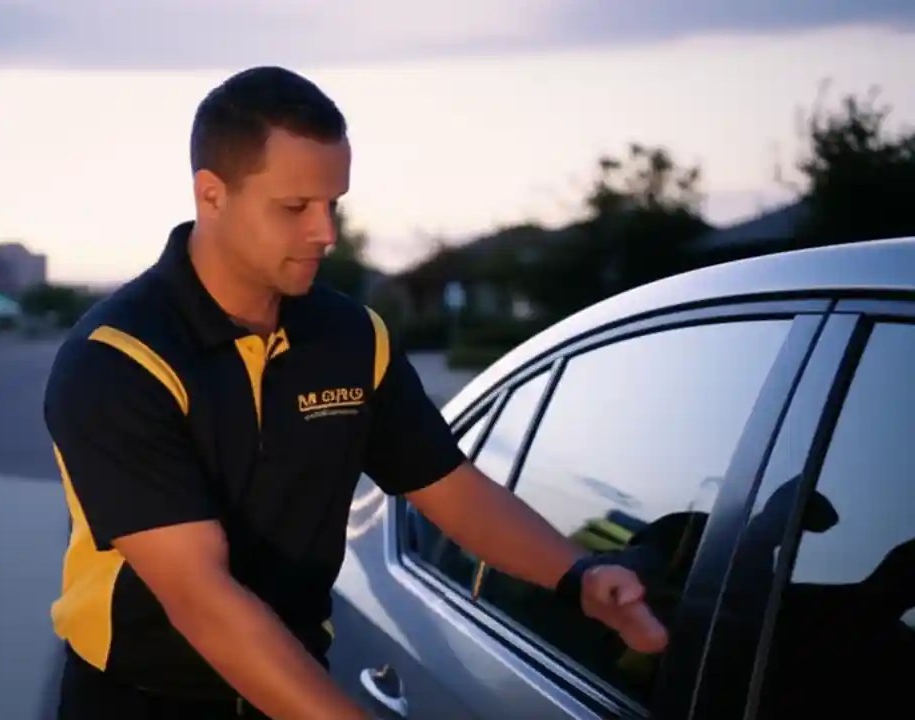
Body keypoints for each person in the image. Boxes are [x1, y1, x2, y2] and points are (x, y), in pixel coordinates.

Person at [42, 65, 668, 720]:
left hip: (296, 684)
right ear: (212, 195)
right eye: (295, 207)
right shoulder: (118, 360)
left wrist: (578, 576)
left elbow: (450, 489)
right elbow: (202, 598)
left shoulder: (352, 336)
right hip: (140, 702)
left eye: (333, 203)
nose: (326, 233)